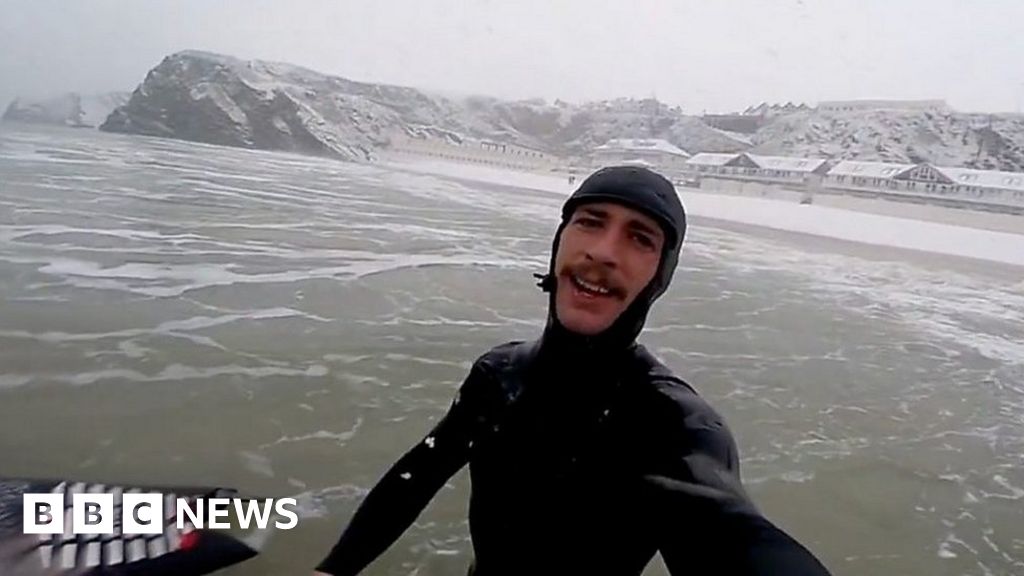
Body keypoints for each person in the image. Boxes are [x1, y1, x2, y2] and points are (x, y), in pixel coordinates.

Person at [313, 166, 832, 576]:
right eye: (590, 221)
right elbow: (417, 475)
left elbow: (728, 534)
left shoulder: (673, 423)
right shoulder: (498, 374)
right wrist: (334, 569)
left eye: (640, 238)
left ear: (660, 277)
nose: (603, 251)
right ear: (559, 241)